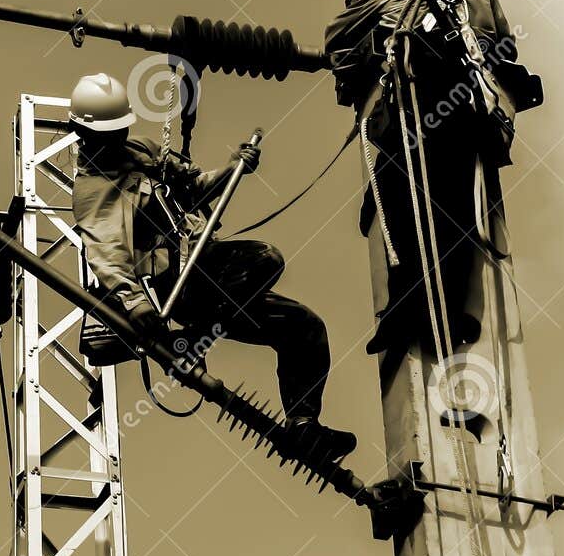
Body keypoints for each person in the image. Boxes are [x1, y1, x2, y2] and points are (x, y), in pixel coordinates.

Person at [67, 73, 354, 462]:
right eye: (109, 134)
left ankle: (304, 425)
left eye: (121, 130)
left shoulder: (143, 152)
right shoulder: (95, 188)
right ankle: (191, 338)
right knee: (264, 258)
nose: (118, 139)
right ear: (85, 134)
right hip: (178, 284)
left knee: (303, 326)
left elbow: (194, 188)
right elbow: (107, 252)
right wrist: (135, 303)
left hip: (213, 282)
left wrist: (234, 169)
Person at [323, 0, 537, 360]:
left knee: (400, 205)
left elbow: (337, 45)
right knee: (460, 212)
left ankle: (407, 308)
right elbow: (504, 49)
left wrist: (360, 76)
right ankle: (454, 312)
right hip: (469, 114)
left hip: (412, 114)